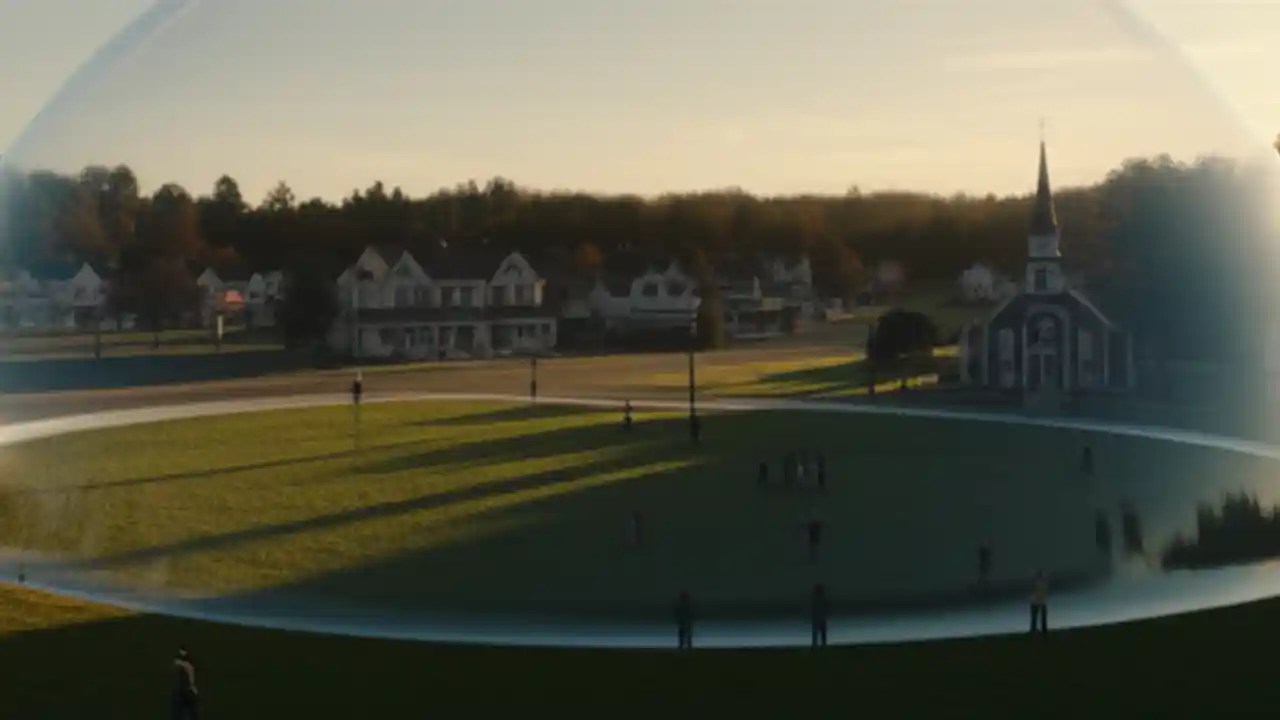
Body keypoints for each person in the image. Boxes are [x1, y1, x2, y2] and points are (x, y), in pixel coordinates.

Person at [172, 647, 199, 720]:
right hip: (181, 691)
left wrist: (192, 685)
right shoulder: (181, 663)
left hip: (186, 690)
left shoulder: (187, 663)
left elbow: (190, 669)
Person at [1029, 570, 1048, 635]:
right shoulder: (1041, 583)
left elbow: (1039, 592)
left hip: (1038, 601)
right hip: (1038, 601)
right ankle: (1039, 629)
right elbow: (1040, 592)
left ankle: (1037, 629)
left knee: (1036, 617)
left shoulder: (1038, 582)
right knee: (1038, 617)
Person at [811, 583, 829, 648]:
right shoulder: (823, 600)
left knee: (817, 634)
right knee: (821, 634)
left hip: (818, 618)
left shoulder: (815, 600)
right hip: (820, 618)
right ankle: (822, 645)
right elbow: (827, 608)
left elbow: (813, 609)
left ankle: (816, 645)